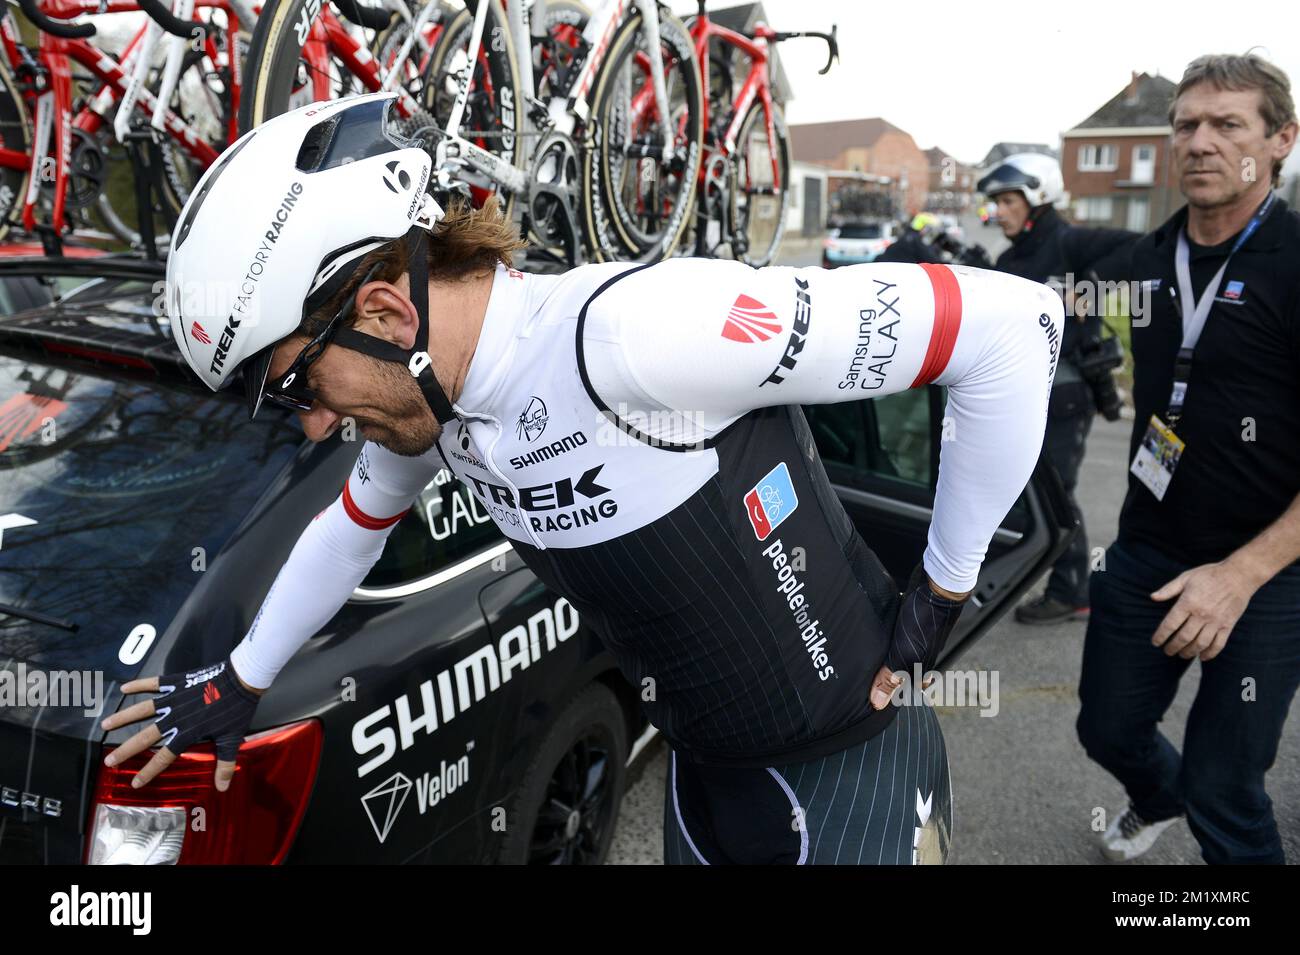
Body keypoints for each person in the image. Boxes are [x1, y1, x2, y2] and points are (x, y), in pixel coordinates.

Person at [100, 92, 1064, 864]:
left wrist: (943, 585)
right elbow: (351, 529)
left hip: (853, 776)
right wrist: (240, 677)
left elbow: (1014, 333)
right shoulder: (432, 404)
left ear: (388, 310)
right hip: (705, 778)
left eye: (297, 383)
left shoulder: (634, 337)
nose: (310, 421)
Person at [1075, 53, 1300, 864]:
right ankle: (1154, 795)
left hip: (1270, 569)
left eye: (1226, 124)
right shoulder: (1148, 261)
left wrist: (1238, 575)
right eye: (1186, 125)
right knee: (1104, 726)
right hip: (1150, 549)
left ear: (1281, 140)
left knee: (1225, 785)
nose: (1199, 142)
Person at [976, 153, 1137, 625]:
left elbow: (1141, 246)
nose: (999, 211)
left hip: (1067, 396)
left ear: (1038, 197)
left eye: (1008, 201)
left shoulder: (1068, 241)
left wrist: (1087, 287)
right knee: (1022, 490)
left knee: (1057, 494)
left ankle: (1073, 591)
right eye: (996, 202)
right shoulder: (1011, 257)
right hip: (1025, 392)